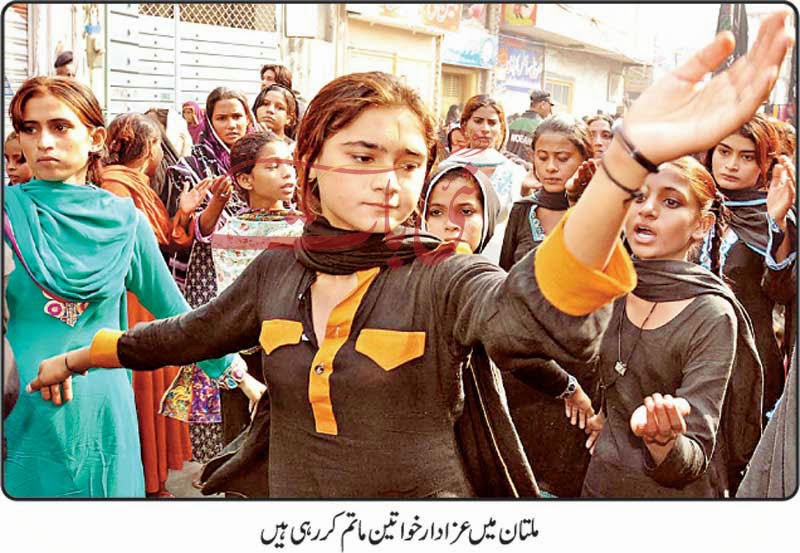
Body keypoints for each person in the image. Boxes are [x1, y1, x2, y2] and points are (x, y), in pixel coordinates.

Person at [27, 12, 796, 497]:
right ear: (311, 167)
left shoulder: (444, 275)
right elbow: (183, 333)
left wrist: (624, 164)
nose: (392, 182)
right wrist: (76, 359)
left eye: (407, 162)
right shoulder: (278, 270)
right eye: (363, 157)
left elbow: (535, 310)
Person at [3, 76, 259, 498]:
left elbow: (174, 311)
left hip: (100, 410)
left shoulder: (126, 220)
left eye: (60, 127)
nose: (43, 141)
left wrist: (237, 376)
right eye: (30, 129)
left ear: (95, 137)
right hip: (17, 406)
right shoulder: (8, 216)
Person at [580, 157, 763, 498]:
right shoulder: (610, 287)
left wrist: (663, 441)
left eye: (670, 201)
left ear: (702, 225)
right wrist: (593, 405)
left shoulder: (711, 314)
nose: (648, 210)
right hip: (599, 489)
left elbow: (693, 456)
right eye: (638, 197)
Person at [497, 114, 597, 496]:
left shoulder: (599, 215)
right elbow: (504, 281)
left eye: (563, 157)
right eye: (543, 157)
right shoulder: (523, 212)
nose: (551, 167)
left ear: (584, 161)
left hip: (578, 362)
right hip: (525, 364)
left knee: (564, 468)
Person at [99, 113, 198, 496]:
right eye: (157, 143)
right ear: (147, 147)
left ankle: (152, 478)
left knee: (152, 389)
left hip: (146, 294)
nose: (160, 151)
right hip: (133, 300)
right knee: (141, 390)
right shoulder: (115, 189)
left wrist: (184, 212)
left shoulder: (134, 185)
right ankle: (144, 481)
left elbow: (159, 242)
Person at [166, 86, 255, 463]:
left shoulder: (262, 155)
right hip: (210, 274)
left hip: (255, 269)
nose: (232, 124)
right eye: (222, 117)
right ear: (208, 120)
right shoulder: (194, 165)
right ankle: (216, 461)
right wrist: (216, 203)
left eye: (238, 116)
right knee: (216, 361)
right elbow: (196, 229)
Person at [701, 114, 797, 419]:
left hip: (748, 364)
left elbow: (783, 291)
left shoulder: (772, 215)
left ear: (764, 165)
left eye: (746, 157)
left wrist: (777, 223)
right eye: (724, 152)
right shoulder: (687, 204)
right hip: (689, 354)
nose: (731, 165)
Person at [211, 132, 304, 444]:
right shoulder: (229, 234)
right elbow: (232, 307)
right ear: (245, 180)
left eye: (289, 164)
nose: (287, 172)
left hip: (299, 356)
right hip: (247, 361)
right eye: (273, 166)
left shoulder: (306, 230)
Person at [447, 94, 528, 263]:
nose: (485, 129)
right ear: (464, 125)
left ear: (501, 128)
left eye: (492, 123)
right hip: (451, 258)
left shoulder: (515, 173)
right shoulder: (447, 169)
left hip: (497, 262)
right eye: (478, 121)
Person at [505, 89, 554, 160]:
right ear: (543, 105)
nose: (550, 111)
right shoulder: (543, 127)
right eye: (550, 105)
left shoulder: (512, 121)